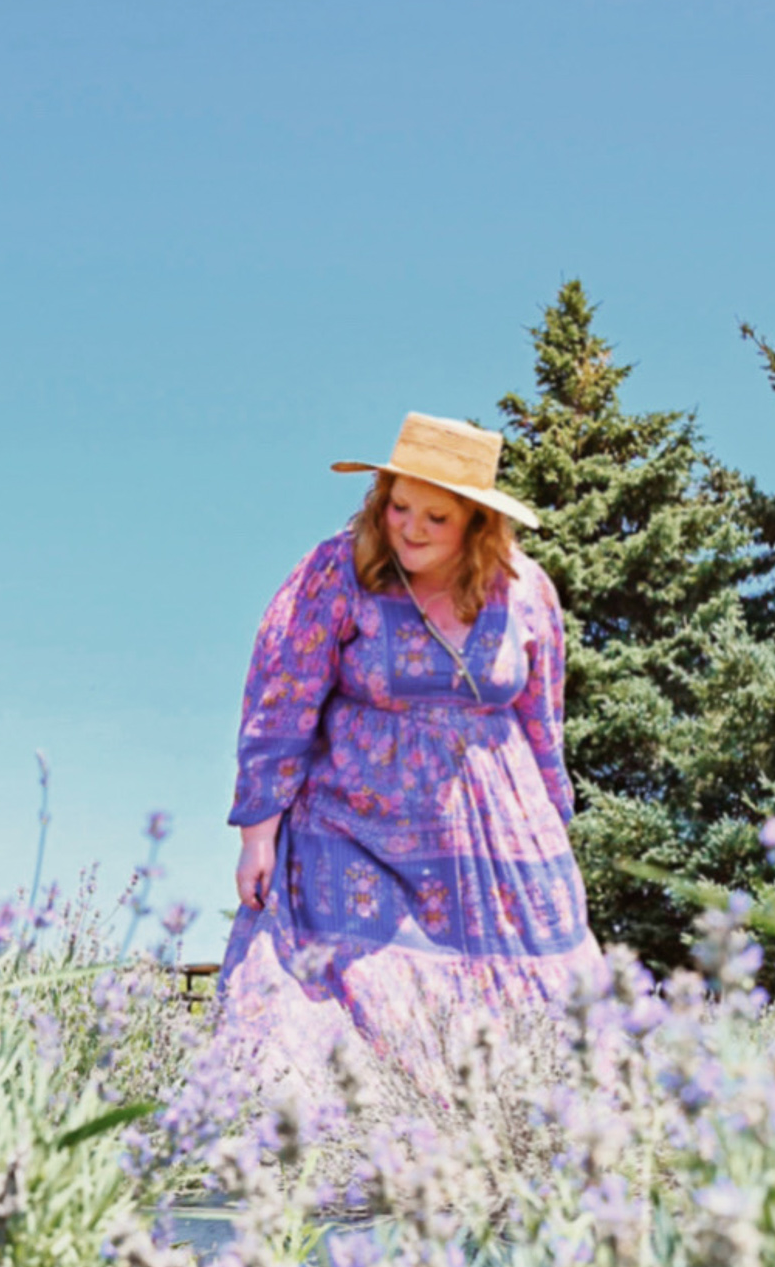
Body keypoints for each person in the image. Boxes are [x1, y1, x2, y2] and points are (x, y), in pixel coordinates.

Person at [219, 411, 603, 1082]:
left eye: (436, 517)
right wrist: (258, 829)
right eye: (400, 507)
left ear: (477, 526)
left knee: (535, 1000)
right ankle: (324, 1153)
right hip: (351, 826)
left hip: (496, 840)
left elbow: (543, 718)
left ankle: (514, 1148)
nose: (411, 529)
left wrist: (555, 825)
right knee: (331, 988)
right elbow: (281, 694)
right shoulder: (336, 569)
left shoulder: (524, 590)